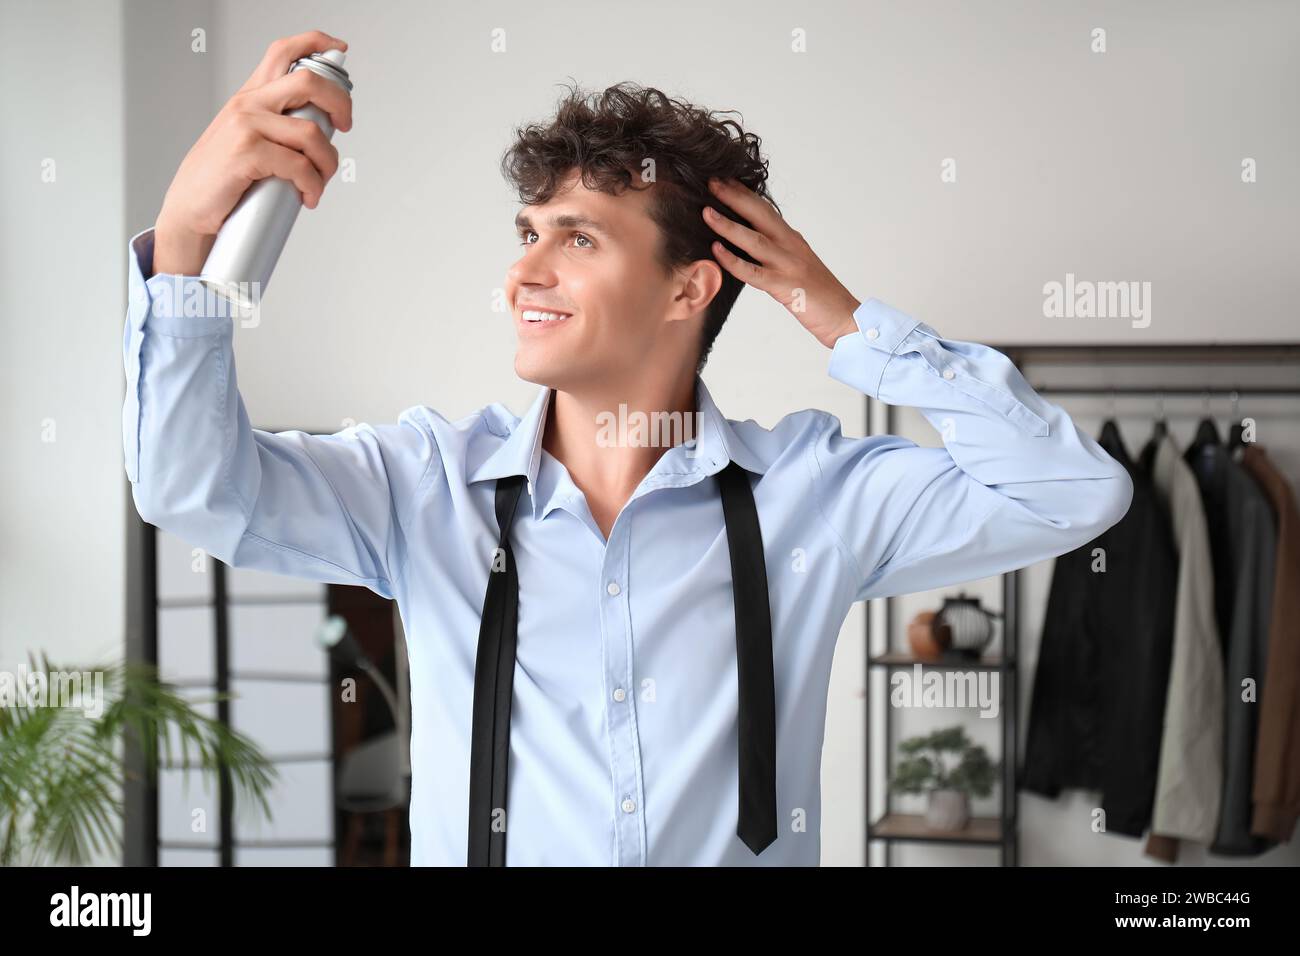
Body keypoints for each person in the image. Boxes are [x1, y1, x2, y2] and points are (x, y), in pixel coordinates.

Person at [123, 30, 1133, 866]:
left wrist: (840, 319)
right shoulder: (422, 487)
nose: (524, 271)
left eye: (577, 238)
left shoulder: (812, 498)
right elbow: (190, 488)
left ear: (688, 288)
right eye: (527, 232)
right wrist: (181, 250)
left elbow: (1074, 494)